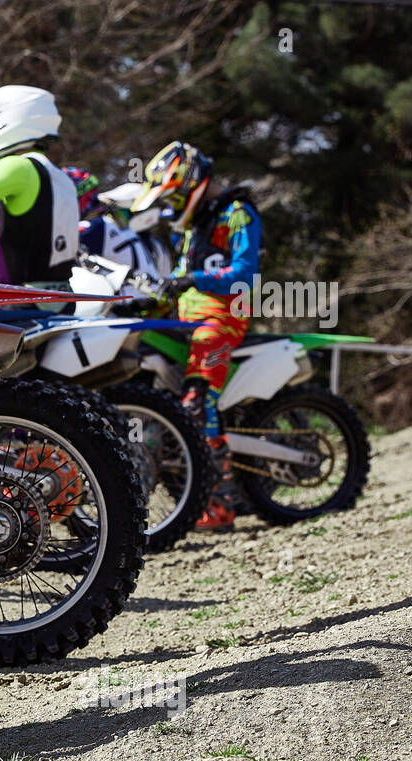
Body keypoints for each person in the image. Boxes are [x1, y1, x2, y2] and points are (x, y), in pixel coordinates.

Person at [130, 140, 263, 531]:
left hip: (221, 321)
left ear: (191, 183)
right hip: (185, 322)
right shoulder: (192, 223)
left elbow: (244, 273)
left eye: (174, 196)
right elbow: (178, 281)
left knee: (197, 404)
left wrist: (194, 278)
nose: (171, 206)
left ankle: (221, 504)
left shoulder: (238, 214)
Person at [0, 86, 78, 284]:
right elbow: (9, 229)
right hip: (59, 299)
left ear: (13, 121)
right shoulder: (59, 176)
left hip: (21, 300)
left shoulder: (17, 166)